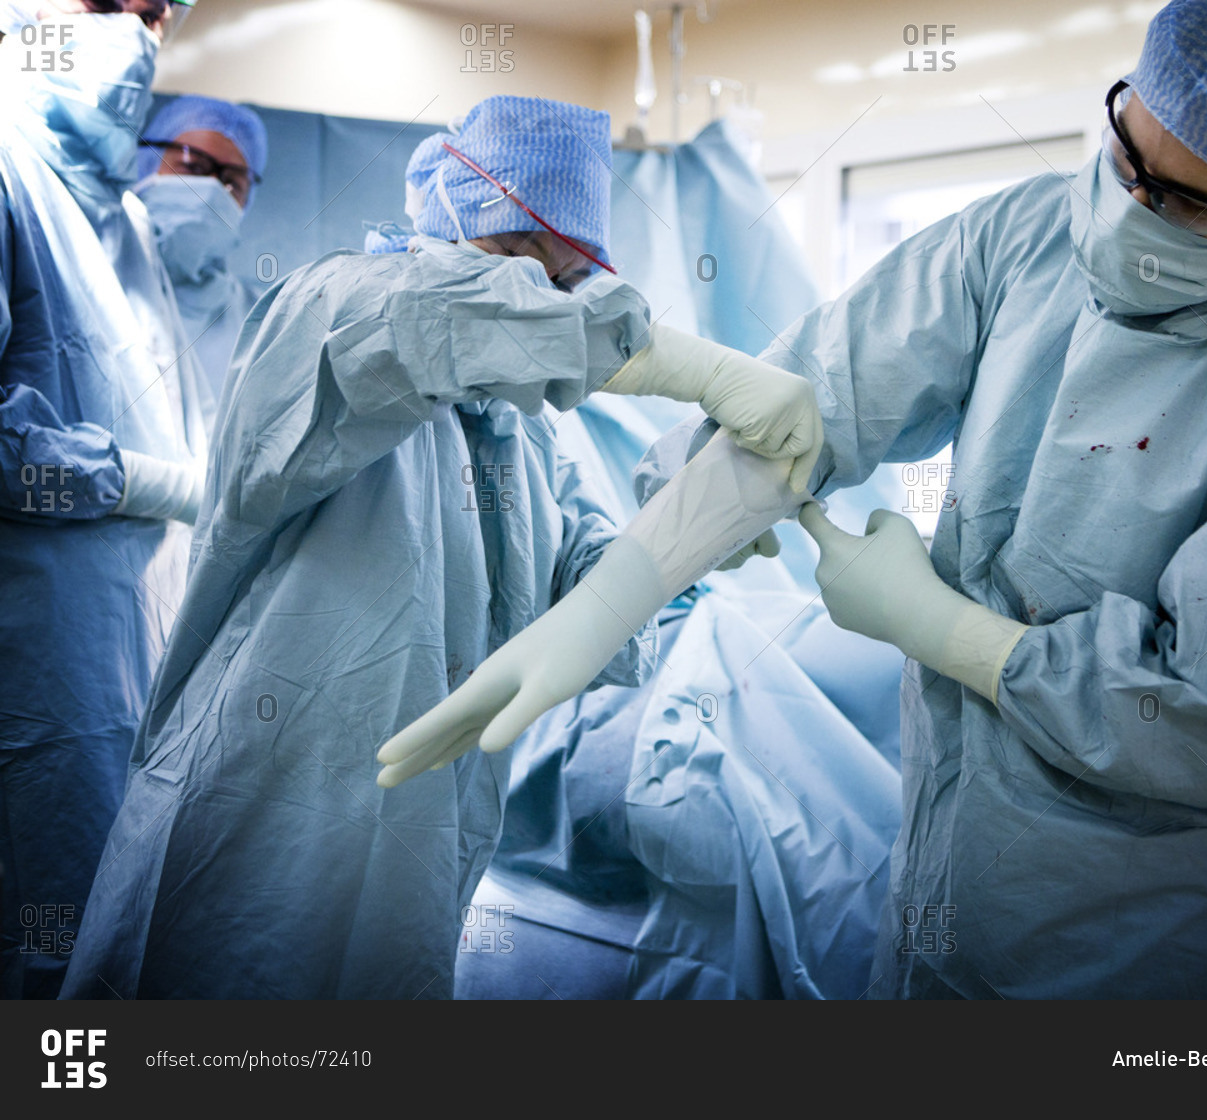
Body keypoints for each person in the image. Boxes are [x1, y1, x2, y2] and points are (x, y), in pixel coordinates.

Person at [379, 0, 1207, 999]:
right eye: (1126, 153)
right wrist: (612, 597)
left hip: (1140, 945)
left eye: (1187, 201)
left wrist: (950, 633)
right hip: (938, 897)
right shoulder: (1028, 237)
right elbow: (814, 400)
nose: (1131, 207)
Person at [60, 93, 822, 999]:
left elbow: (588, 583)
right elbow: (442, 319)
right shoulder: (332, 311)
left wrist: (693, 527)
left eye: (569, 278)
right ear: (455, 212)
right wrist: (684, 364)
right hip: (253, 826)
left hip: (419, 855)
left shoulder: (521, 433)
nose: (542, 296)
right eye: (520, 257)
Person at [0, 0, 206, 998]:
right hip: (36, 684)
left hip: (139, 674)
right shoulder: (7, 171)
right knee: (41, 951)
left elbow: (181, 421)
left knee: (122, 957)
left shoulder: (127, 221)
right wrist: (141, 480)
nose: (135, 31)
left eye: (157, 10)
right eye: (102, 2)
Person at [134, 94, 268, 414]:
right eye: (193, 168)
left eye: (231, 183)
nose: (210, 190)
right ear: (146, 163)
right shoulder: (96, 280)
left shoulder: (258, 323)